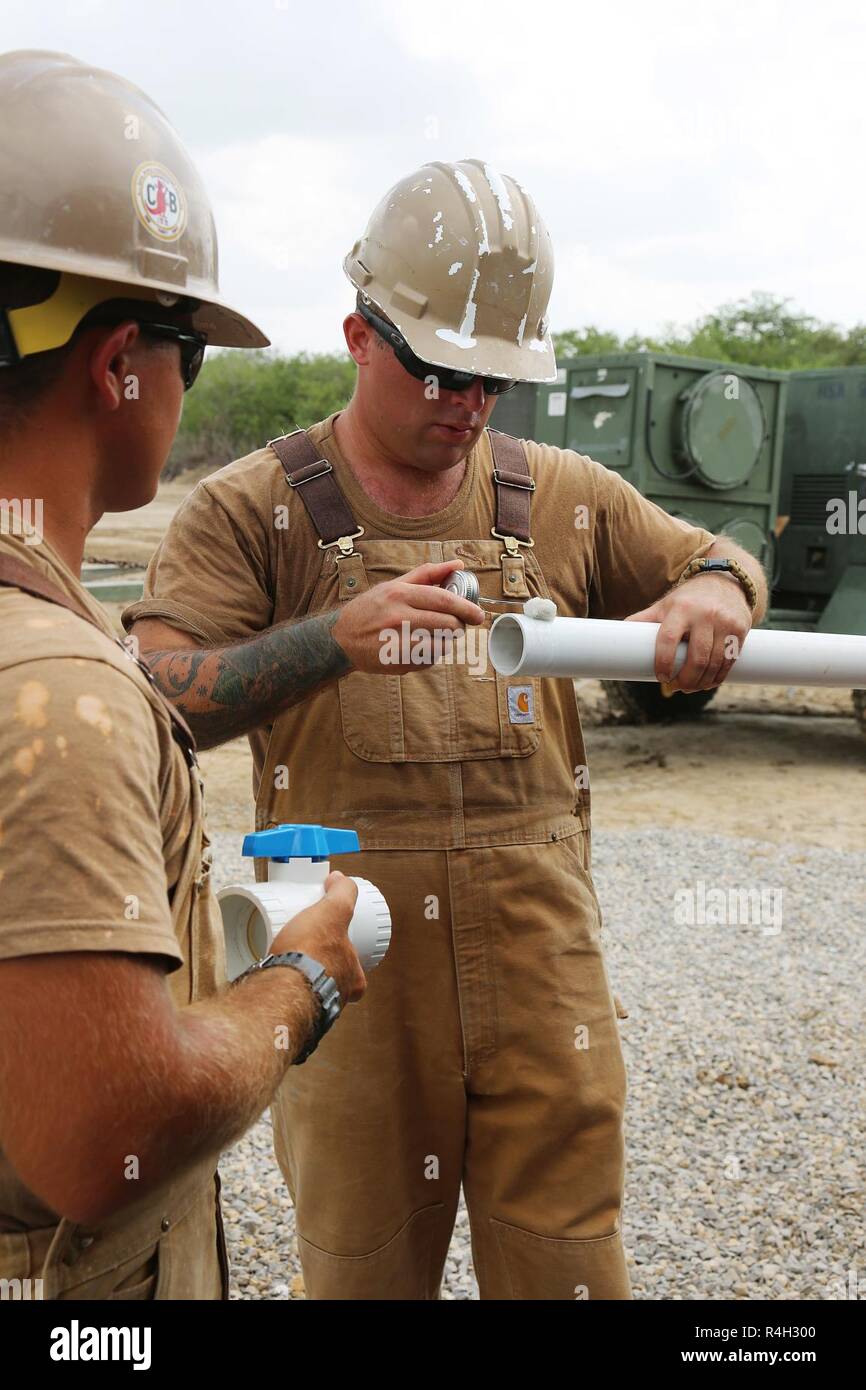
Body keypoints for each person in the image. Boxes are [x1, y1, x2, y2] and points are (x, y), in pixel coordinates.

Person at [126, 158, 768, 1300]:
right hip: (349, 969)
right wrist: (332, 639)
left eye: (492, 380)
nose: (465, 406)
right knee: (363, 1275)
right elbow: (158, 693)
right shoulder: (252, 508)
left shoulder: (560, 492)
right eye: (437, 371)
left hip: (543, 970)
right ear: (359, 335)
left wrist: (717, 589)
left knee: (570, 1272)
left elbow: (714, 561)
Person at [0, 49, 372, 1302]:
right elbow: (104, 1135)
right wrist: (299, 979)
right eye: (186, 352)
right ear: (119, 365)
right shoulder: (56, 692)